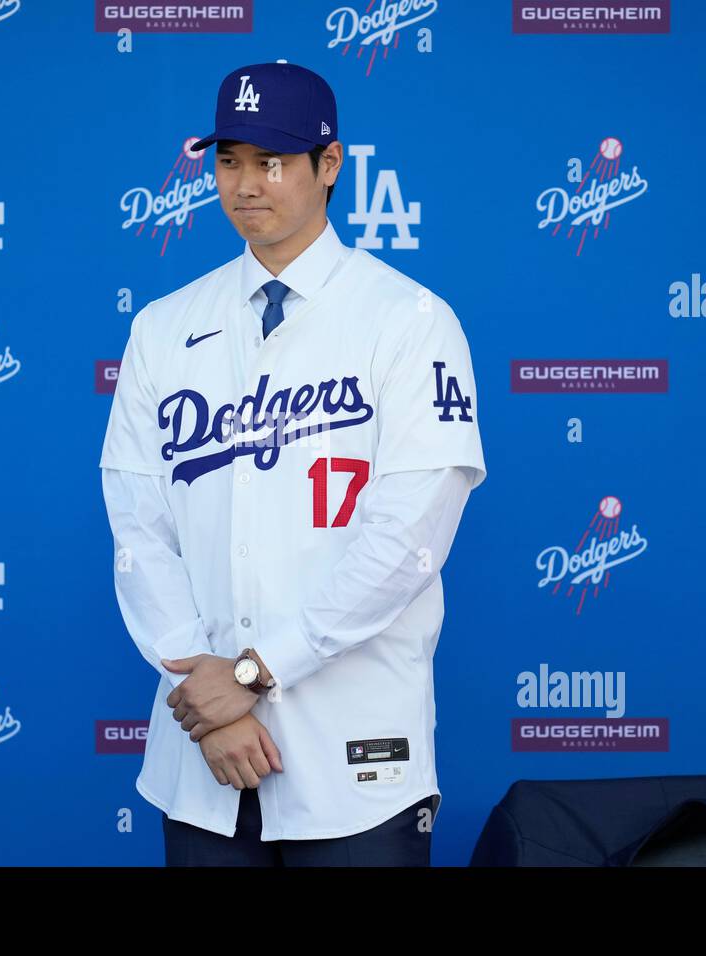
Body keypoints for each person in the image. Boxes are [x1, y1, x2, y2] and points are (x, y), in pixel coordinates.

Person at [99, 61, 486, 866]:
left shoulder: (409, 322)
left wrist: (254, 671)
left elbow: (408, 541)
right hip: (204, 757)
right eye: (229, 160)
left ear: (329, 165)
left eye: (271, 160)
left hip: (354, 754)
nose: (246, 184)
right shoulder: (165, 328)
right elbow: (138, 529)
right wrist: (212, 698)